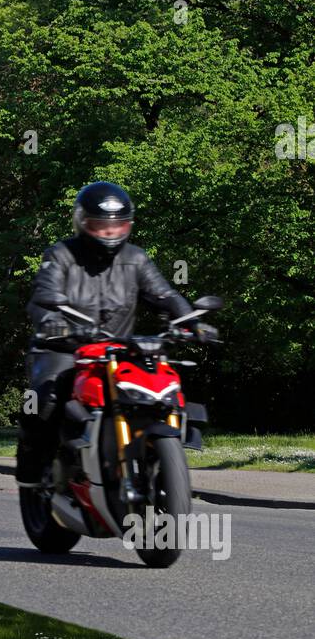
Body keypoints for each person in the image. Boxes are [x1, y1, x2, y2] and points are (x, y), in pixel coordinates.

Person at [17, 181, 216, 484]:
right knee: (44, 400)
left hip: (118, 350)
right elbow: (43, 298)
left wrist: (190, 321)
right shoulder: (60, 255)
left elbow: (164, 295)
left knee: (162, 389)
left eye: (118, 225)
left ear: (128, 225)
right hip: (64, 348)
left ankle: (150, 459)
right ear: (83, 223)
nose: (110, 232)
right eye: (100, 225)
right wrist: (52, 321)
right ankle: (35, 475)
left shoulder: (136, 259)